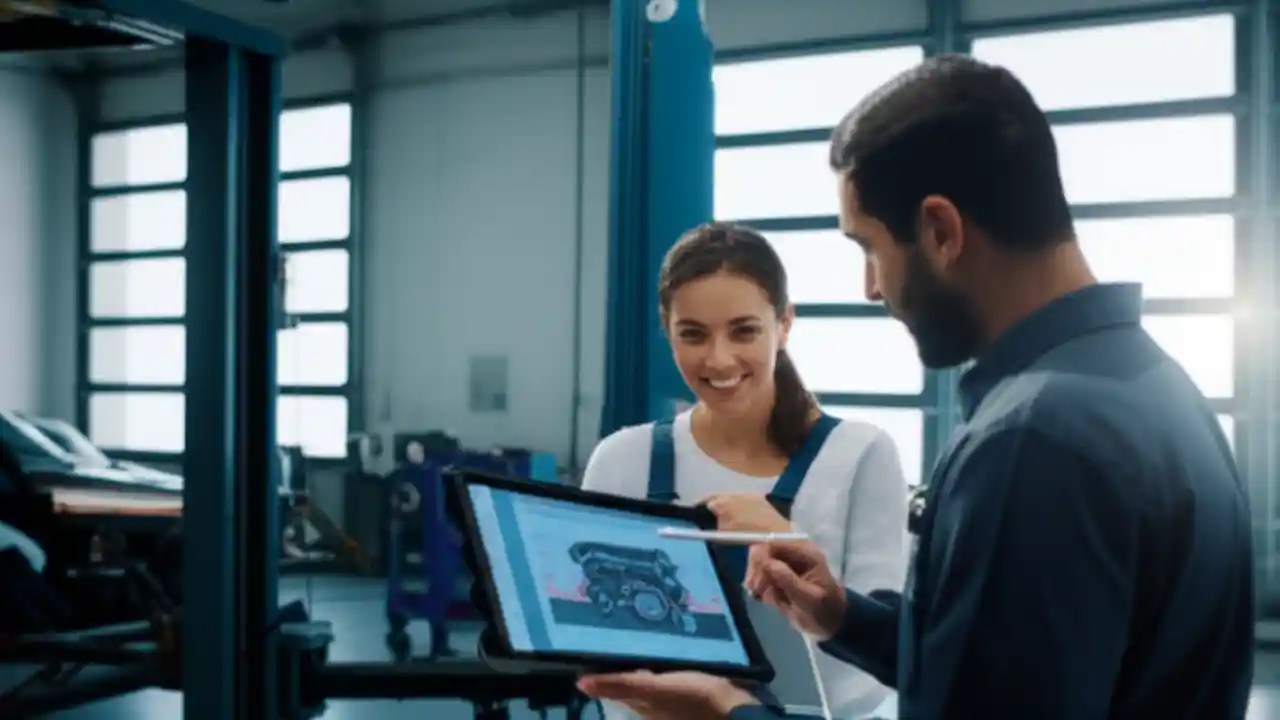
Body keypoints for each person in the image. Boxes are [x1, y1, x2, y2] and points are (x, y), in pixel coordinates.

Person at [578, 53, 1254, 719]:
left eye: (869, 248)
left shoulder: (1032, 441)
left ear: (939, 231)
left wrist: (733, 714)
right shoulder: (1153, 388)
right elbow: (1010, 667)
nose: (871, 288)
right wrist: (845, 617)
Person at [580, 223, 910, 719]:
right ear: (667, 331)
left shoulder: (860, 455)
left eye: (744, 330)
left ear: (784, 325)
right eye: (693, 334)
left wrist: (791, 546)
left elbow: (868, 683)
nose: (719, 358)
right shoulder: (621, 460)